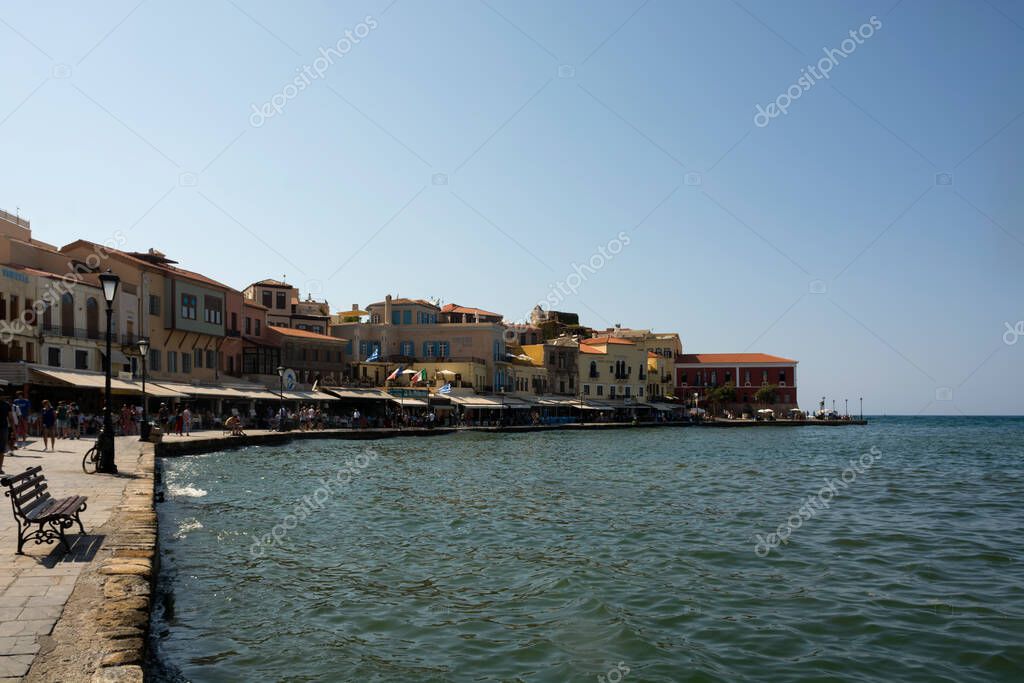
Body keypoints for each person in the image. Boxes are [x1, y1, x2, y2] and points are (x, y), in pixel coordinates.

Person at [0, 394, 13, 474]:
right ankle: (0, 468)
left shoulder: (6, 405)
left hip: (3, 428)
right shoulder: (6, 405)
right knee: (1, 450)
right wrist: (13, 430)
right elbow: (10, 418)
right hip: (3, 428)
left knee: (1, 450)